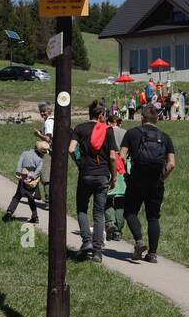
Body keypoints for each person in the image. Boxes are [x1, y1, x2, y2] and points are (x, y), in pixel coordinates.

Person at [118, 105, 175, 263]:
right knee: (153, 217)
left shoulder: (132, 133)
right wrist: (162, 178)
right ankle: (153, 254)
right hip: (156, 182)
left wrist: (126, 174)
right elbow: (171, 164)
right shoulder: (165, 137)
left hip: (136, 179)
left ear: (142, 118)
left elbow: (122, 156)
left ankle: (139, 241)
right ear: (157, 120)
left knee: (129, 211)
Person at [70, 101, 122, 262]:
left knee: (81, 210)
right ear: (101, 115)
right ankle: (98, 252)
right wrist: (113, 177)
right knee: (99, 213)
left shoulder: (79, 128)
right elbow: (113, 157)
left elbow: (71, 149)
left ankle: (86, 242)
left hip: (85, 174)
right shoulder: (108, 130)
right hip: (102, 176)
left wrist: (79, 163)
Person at [3, 140, 48, 224]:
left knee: (17, 196)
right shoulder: (40, 160)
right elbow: (38, 171)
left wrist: (18, 172)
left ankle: (9, 212)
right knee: (31, 198)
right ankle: (35, 217)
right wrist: (32, 177)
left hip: (23, 177)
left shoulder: (25, 153)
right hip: (32, 182)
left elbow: (19, 163)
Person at [105, 112, 129, 242]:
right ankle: (118, 230)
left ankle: (110, 223)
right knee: (120, 201)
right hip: (123, 168)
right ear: (118, 122)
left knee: (107, 199)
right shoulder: (125, 133)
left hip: (109, 166)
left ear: (108, 122)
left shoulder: (106, 132)